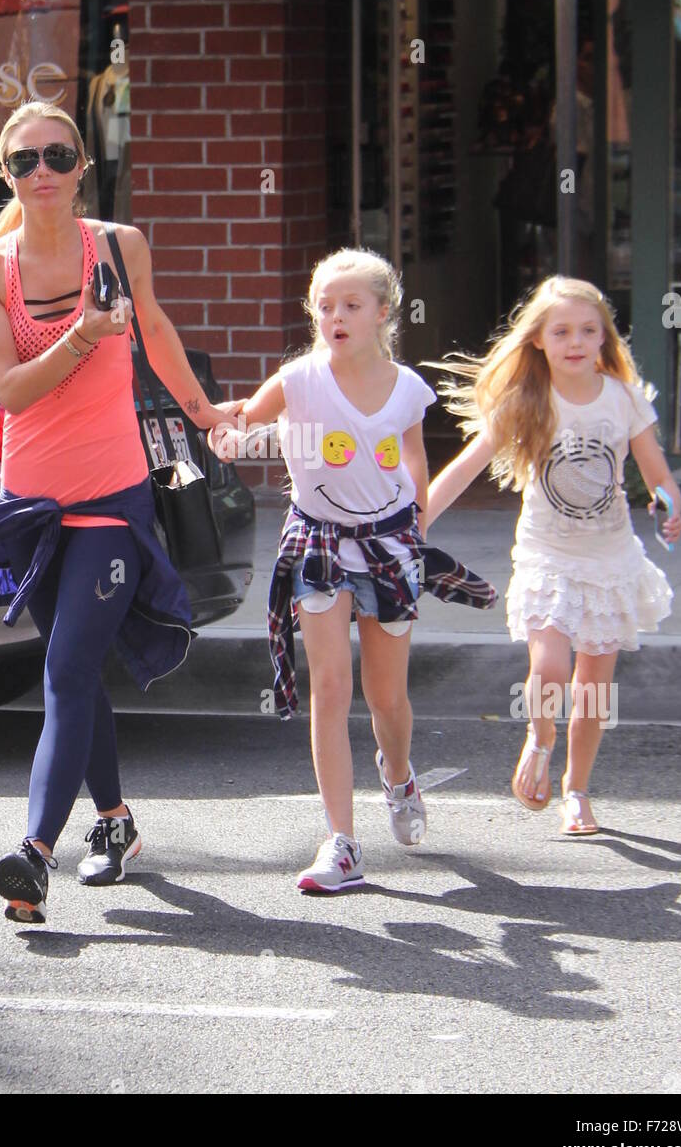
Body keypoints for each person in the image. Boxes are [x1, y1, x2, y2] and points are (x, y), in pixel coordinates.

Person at [0, 100, 239, 923]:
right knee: (79, 669)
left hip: (110, 494)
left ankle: (33, 855)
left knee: (65, 670)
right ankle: (115, 822)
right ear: (4, 173)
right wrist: (86, 335)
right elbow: (13, 393)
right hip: (30, 503)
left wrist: (207, 418)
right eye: (24, 160)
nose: (41, 173)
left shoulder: (121, 247)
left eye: (56, 156)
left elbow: (159, 332)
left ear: (80, 168)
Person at [209, 249, 497, 893]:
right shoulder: (299, 380)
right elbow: (244, 425)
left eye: (351, 305)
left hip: (390, 546)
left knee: (386, 696)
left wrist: (417, 527)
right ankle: (342, 842)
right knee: (331, 688)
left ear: (383, 313)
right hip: (316, 543)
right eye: (325, 305)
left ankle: (397, 775)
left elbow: (415, 462)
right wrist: (225, 432)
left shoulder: (408, 389)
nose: (335, 316)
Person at [423, 276, 681, 836]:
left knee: (592, 686)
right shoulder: (528, 400)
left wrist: (668, 504)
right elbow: (466, 467)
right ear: (538, 339)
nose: (575, 341)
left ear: (604, 339)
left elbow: (658, 474)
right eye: (561, 330)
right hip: (547, 556)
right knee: (551, 666)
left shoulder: (623, 398)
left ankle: (578, 790)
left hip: (611, 558)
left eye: (589, 331)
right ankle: (539, 740)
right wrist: (417, 518)